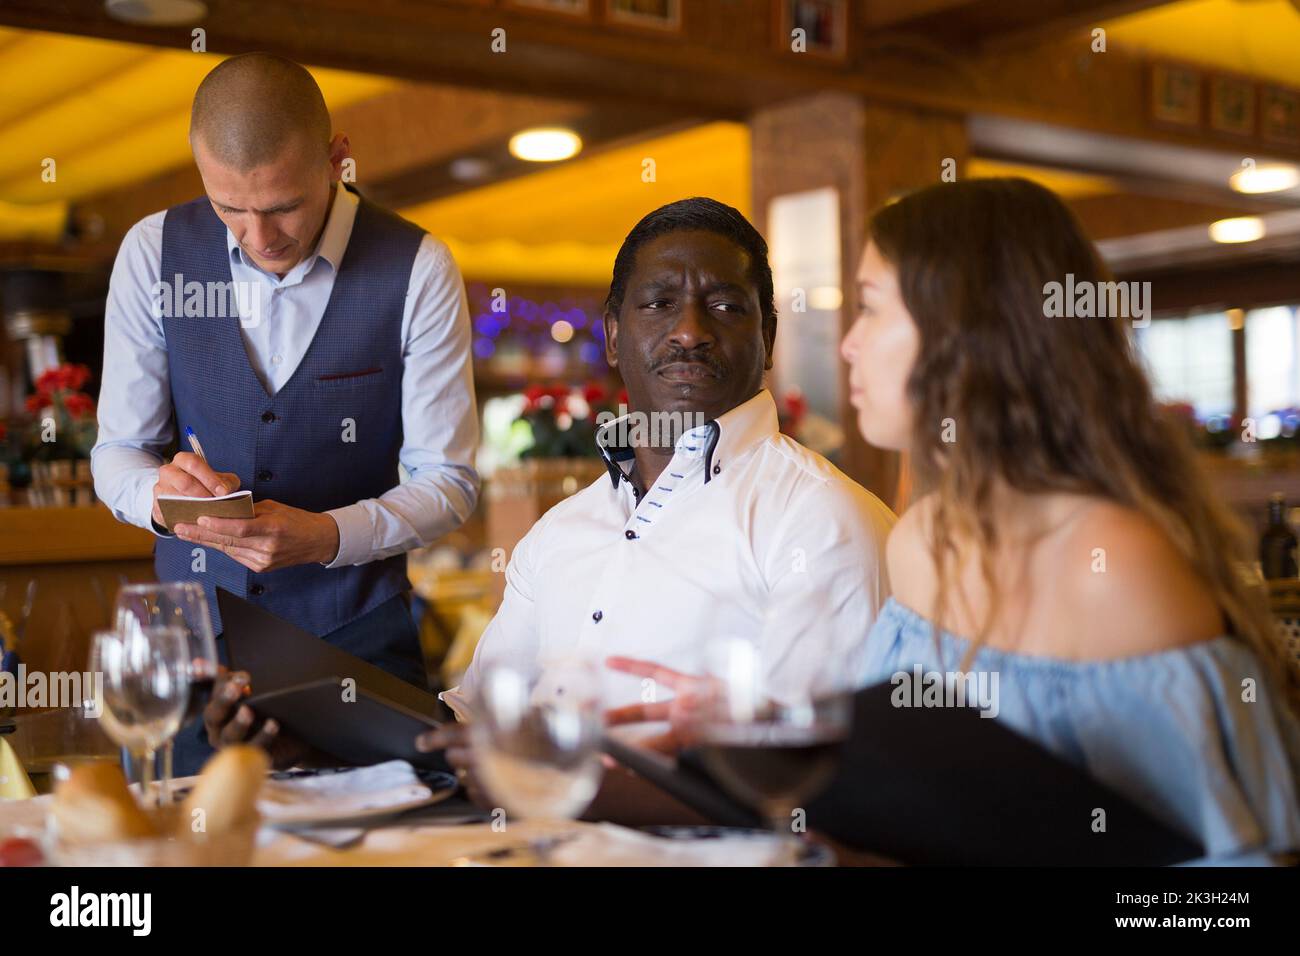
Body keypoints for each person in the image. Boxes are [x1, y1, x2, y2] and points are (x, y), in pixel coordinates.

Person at [837, 177, 1300, 862]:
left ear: (967, 332)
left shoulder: (1113, 564)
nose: (847, 344)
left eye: (871, 308)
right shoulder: (920, 537)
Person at [419, 198, 895, 810]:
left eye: (725, 306)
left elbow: (813, 786)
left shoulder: (821, 519)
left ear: (768, 338)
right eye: (659, 304)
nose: (691, 331)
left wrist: (570, 787)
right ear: (614, 336)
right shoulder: (559, 531)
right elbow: (478, 716)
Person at [91, 54, 479, 773]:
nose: (258, 237)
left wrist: (327, 536)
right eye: (229, 209)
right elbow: (118, 448)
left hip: (356, 638)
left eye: (283, 207)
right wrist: (157, 494)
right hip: (186, 640)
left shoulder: (418, 267)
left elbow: (449, 482)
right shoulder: (153, 253)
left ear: (338, 159)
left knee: (388, 848)